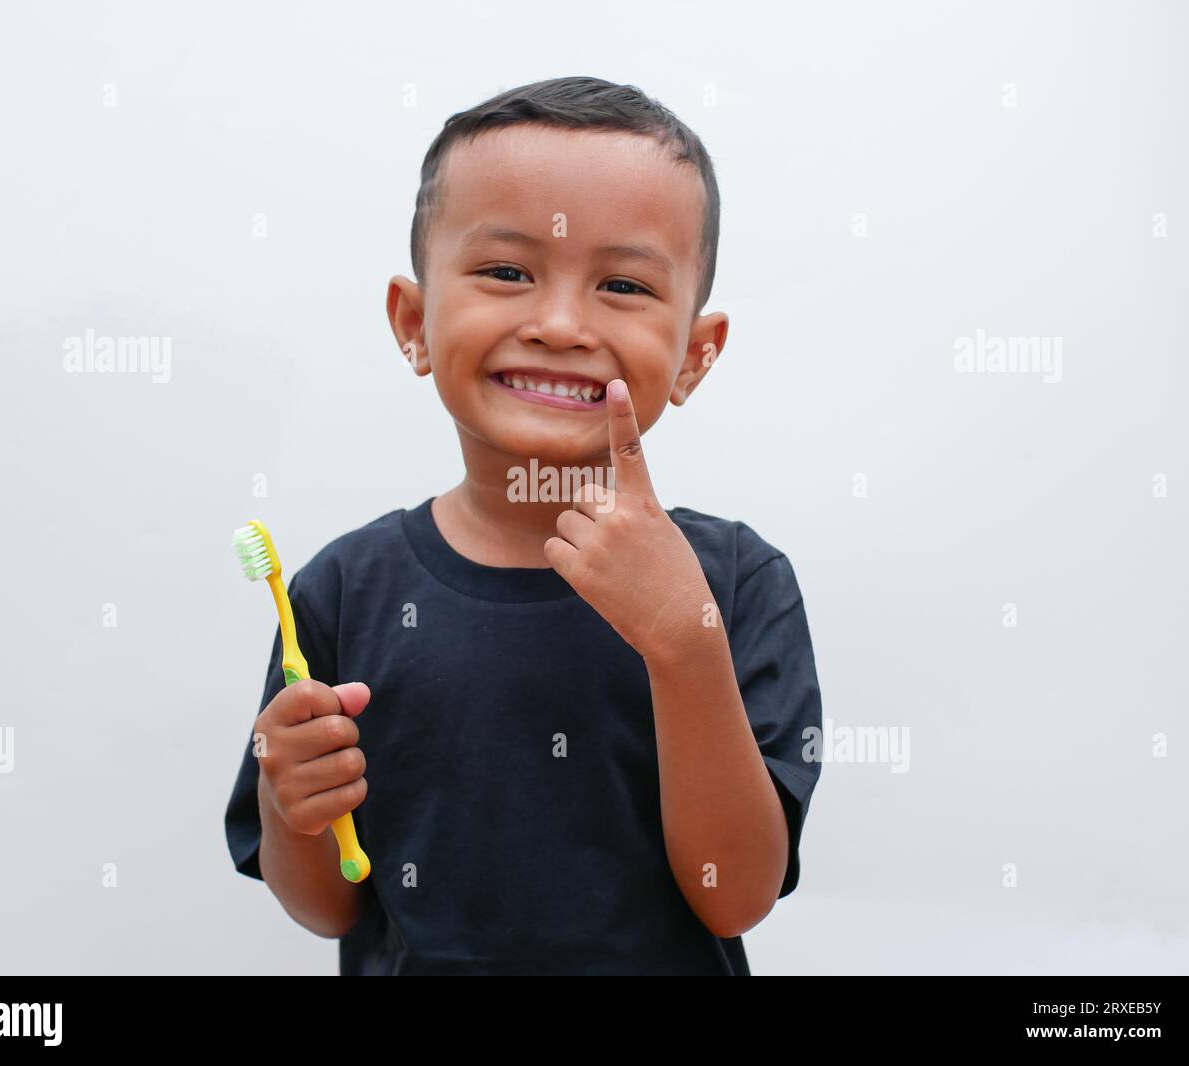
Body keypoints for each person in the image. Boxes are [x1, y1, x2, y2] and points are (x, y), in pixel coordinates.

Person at [225, 75, 823, 975]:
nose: (557, 324)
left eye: (622, 283)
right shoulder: (343, 591)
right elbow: (325, 908)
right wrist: (292, 807)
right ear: (414, 321)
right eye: (507, 273)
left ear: (695, 355)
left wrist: (683, 646)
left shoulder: (738, 581)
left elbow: (734, 894)